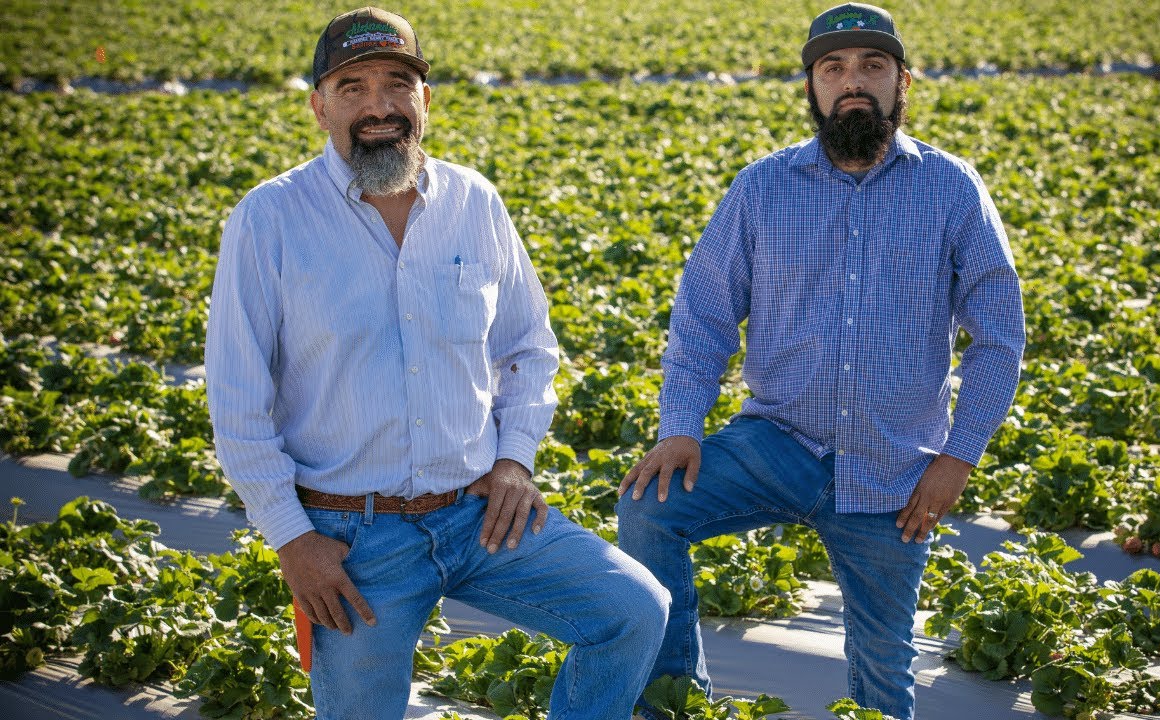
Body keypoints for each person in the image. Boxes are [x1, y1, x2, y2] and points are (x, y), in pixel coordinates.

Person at [205, 8, 668, 719]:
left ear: (425, 100)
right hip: (351, 540)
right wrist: (293, 539)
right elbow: (238, 399)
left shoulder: (473, 201)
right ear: (319, 107)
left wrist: (514, 460)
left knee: (633, 609)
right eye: (353, 87)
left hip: (480, 513)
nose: (379, 106)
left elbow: (528, 347)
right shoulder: (271, 218)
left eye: (397, 84)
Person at [616, 4, 1026, 718]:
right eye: (833, 68)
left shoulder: (952, 188)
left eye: (873, 66)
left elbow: (999, 335)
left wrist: (958, 458)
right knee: (649, 511)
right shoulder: (761, 187)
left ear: (903, 83)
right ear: (811, 87)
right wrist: (680, 427)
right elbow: (704, 317)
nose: (853, 82)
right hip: (777, 442)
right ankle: (676, 701)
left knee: (884, 675)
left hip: (895, 468)